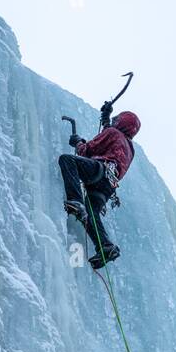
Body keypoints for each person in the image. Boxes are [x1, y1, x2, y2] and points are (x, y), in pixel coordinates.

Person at [58, 111, 141, 269]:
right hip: (108, 186)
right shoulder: (130, 148)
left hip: (100, 171)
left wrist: (78, 142)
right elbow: (110, 140)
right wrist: (106, 121)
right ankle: (105, 246)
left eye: (117, 119)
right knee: (92, 213)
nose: (114, 121)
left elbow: (88, 150)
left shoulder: (113, 133)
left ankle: (75, 201)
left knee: (67, 160)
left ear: (122, 123)